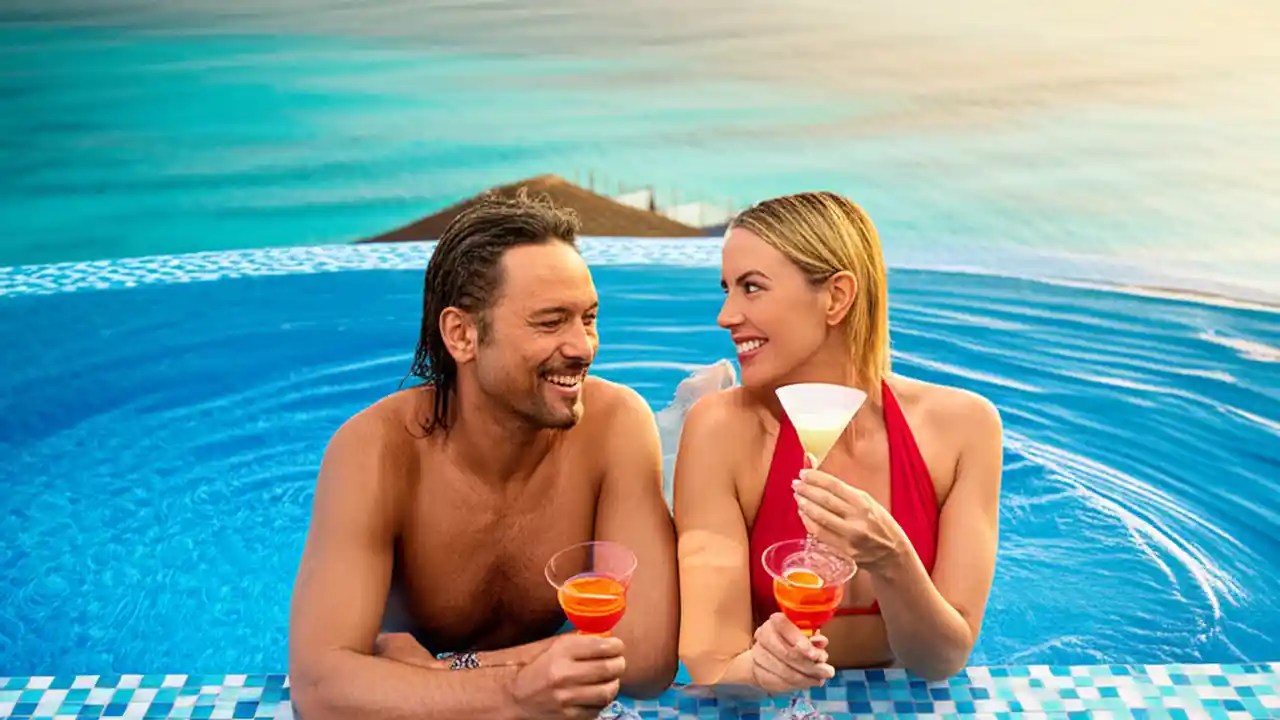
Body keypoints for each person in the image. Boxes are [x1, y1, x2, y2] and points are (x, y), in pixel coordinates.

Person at [288, 191, 680, 720]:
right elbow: (319, 687)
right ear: (463, 335)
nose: (583, 346)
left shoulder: (616, 427)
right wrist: (516, 694)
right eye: (550, 322)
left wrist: (446, 672)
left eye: (587, 318)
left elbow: (648, 659)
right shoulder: (377, 451)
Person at [673, 191, 1003, 690]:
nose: (726, 315)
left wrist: (892, 557)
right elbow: (712, 660)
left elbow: (941, 660)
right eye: (727, 289)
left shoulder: (963, 428)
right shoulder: (721, 431)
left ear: (836, 297)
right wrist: (757, 671)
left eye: (751, 288)